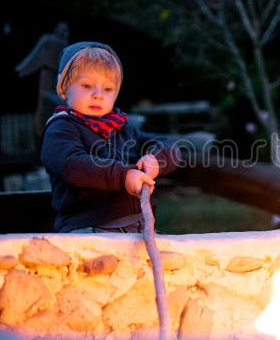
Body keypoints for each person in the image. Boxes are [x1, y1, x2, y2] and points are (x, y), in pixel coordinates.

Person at [40, 41, 181, 233]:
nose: (98, 95)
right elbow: (73, 166)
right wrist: (123, 175)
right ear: (64, 89)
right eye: (87, 85)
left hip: (137, 226)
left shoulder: (122, 129)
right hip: (88, 227)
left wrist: (156, 159)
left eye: (107, 89)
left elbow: (171, 147)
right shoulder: (60, 129)